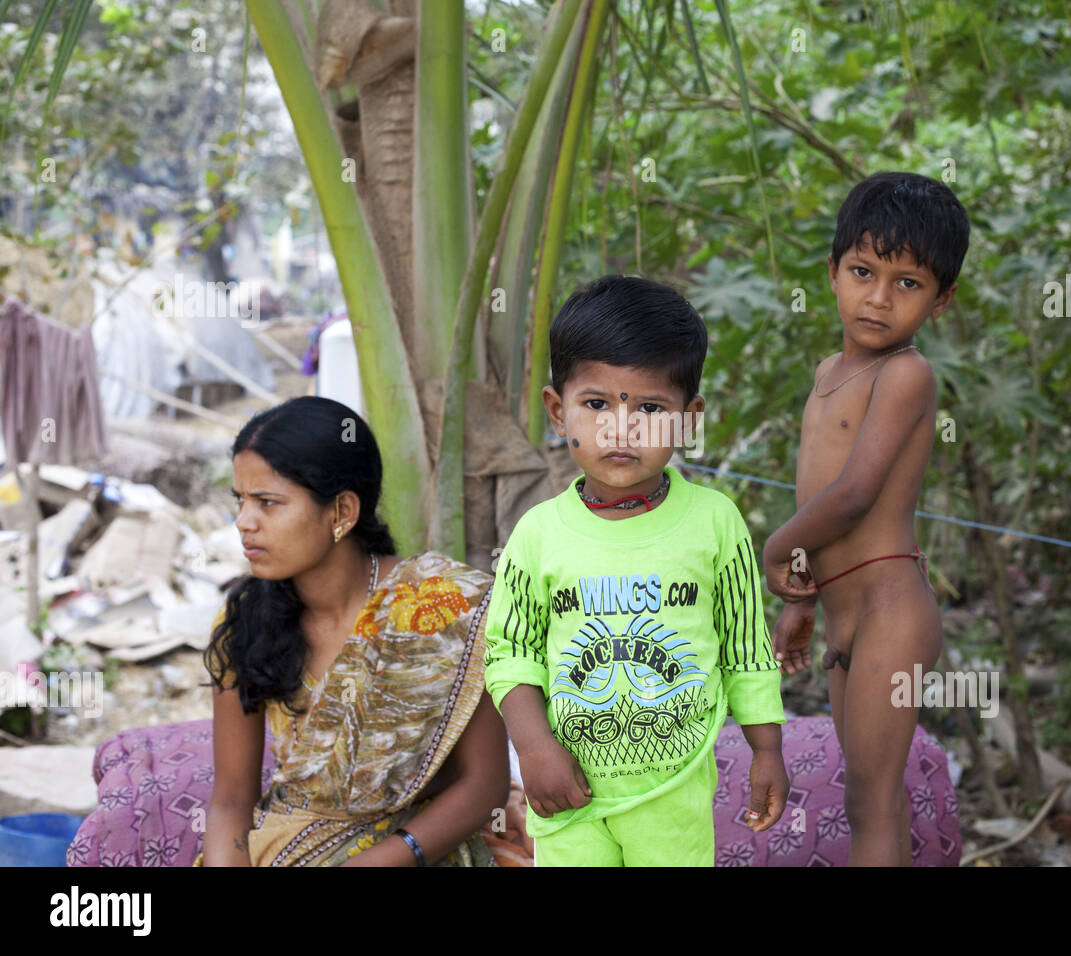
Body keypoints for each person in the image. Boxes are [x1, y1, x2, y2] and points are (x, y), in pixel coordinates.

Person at [483, 275, 788, 866]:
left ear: (688, 417)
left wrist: (767, 750)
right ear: (557, 409)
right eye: (596, 404)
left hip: (672, 796)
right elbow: (509, 652)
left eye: (649, 407)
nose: (621, 429)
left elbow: (747, 648)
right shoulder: (538, 534)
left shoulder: (715, 523)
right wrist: (534, 749)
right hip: (567, 794)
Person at [199, 396, 509, 866]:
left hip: (413, 853)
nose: (244, 522)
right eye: (240, 500)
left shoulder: (442, 607)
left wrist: (386, 858)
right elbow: (230, 800)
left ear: (342, 511)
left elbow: (483, 784)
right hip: (287, 848)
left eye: (268, 502)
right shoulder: (244, 624)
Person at [762, 172, 970, 866]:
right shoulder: (828, 373)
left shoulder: (907, 376)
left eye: (908, 283)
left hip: (890, 611)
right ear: (832, 273)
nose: (879, 297)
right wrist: (801, 597)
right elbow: (817, 501)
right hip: (846, 615)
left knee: (875, 800)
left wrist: (774, 547)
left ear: (942, 300)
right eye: (863, 271)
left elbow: (853, 495)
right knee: (863, 795)